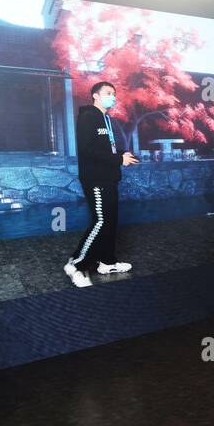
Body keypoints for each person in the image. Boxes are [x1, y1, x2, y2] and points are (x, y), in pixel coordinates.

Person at [64, 81, 139, 287]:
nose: (113, 97)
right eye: (108, 93)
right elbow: (88, 150)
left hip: (109, 177)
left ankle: (106, 262)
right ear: (95, 96)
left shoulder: (106, 119)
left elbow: (106, 149)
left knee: (110, 221)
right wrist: (117, 160)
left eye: (114, 93)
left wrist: (122, 154)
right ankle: (76, 265)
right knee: (100, 221)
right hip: (96, 178)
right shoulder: (88, 117)